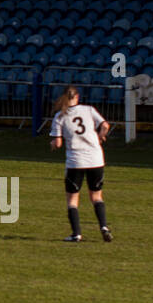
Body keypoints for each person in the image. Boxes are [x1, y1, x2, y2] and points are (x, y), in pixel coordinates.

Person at [50, 86, 112, 242]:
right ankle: (104, 227)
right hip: (96, 159)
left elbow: (58, 143)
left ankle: (76, 234)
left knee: (72, 200)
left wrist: (52, 144)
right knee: (97, 196)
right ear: (77, 96)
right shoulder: (89, 110)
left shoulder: (60, 116)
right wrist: (100, 136)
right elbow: (105, 125)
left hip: (75, 161)